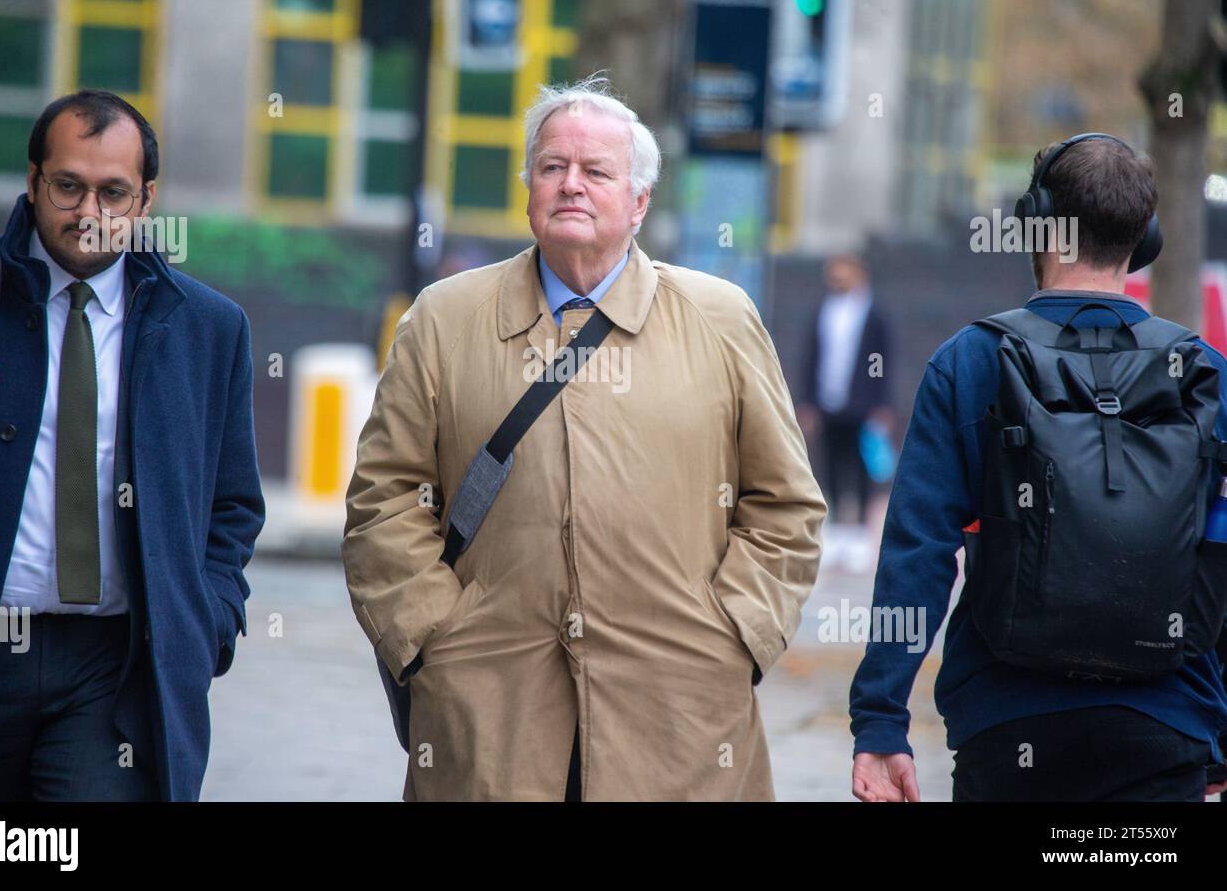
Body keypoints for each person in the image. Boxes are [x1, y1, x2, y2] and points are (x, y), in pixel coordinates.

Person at [342, 74, 826, 801]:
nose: (572, 184)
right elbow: (383, 502)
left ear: (639, 201)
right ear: (529, 188)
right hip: (491, 717)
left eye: (596, 171)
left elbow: (784, 505)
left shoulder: (722, 319)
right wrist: (436, 641)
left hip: (680, 721)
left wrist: (732, 636)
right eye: (552, 167)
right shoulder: (443, 320)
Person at [849, 133, 1227, 802]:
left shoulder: (970, 360)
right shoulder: (1200, 371)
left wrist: (882, 719)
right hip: (1167, 725)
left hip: (1008, 725)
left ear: (1038, 224)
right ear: (1146, 237)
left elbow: (919, 552)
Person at [0, 89, 265, 801]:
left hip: (111, 673)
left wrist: (203, 626)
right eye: (68, 187)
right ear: (32, 182)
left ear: (146, 201)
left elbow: (232, 506)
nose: (88, 214)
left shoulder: (208, 328)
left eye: (113, 193)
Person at [799, 253, 894, 527]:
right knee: (829, 464)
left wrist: (881, 405)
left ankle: (861, 527)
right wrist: (808, 401)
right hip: (828, 403)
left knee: (863, 466)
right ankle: (838, 525)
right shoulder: (823, 310)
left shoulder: (874, 314)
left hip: (863, 405)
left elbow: (883, 360)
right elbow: (812, 357)